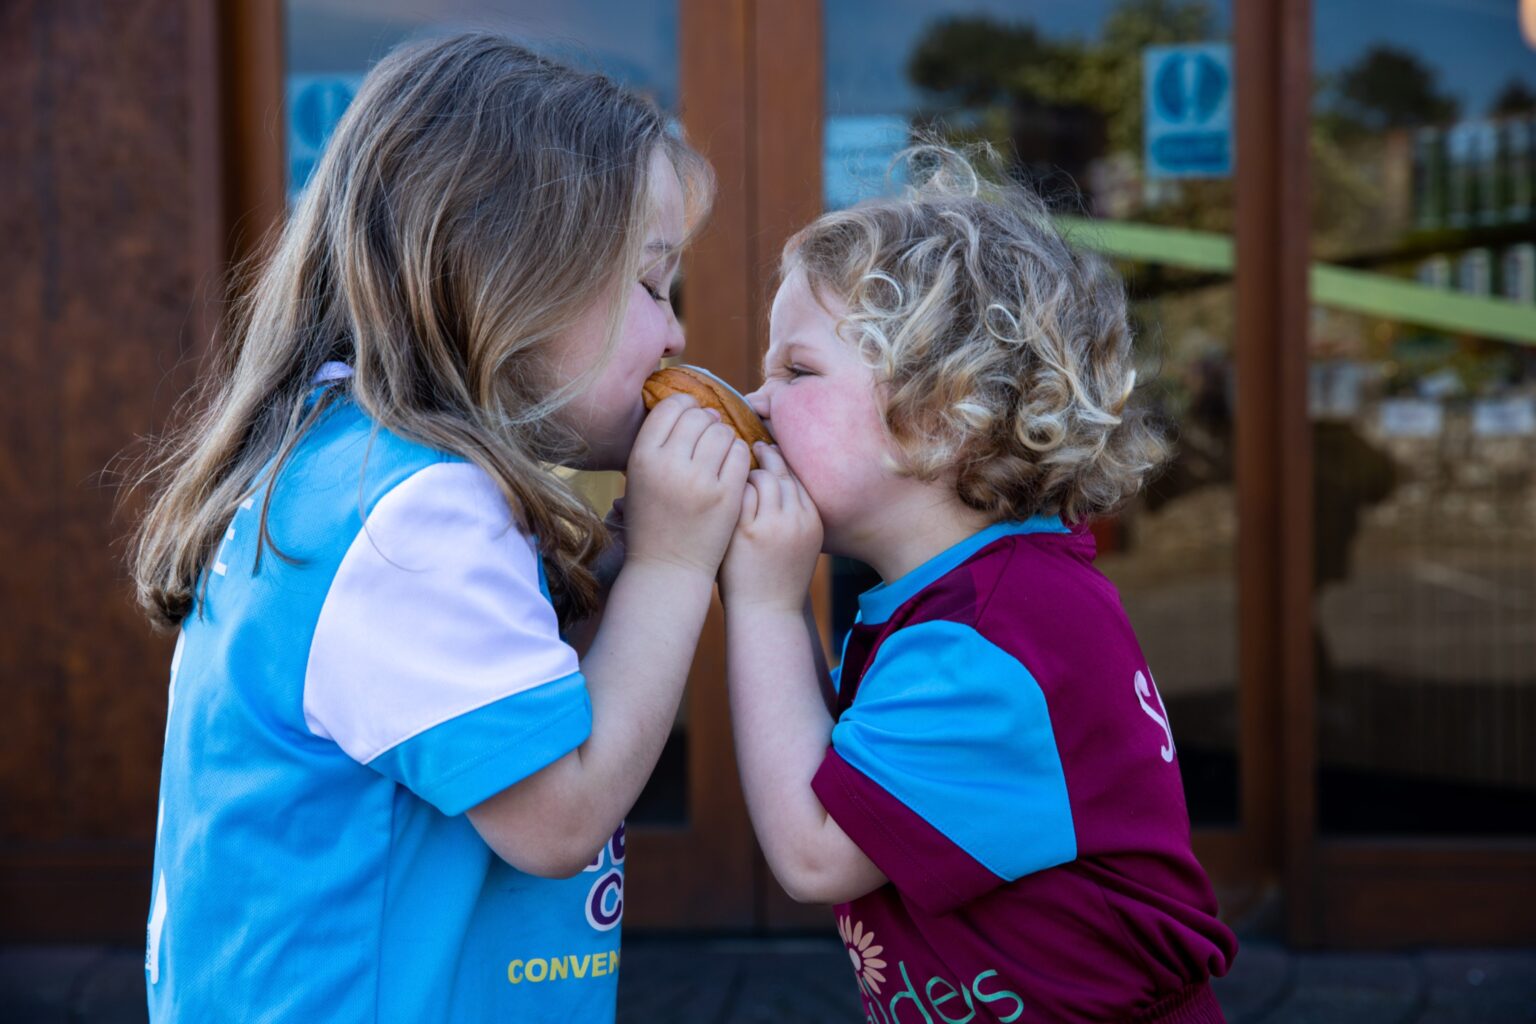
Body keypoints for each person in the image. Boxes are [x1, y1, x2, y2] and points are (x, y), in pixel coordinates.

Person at [128, 33, 747, 1023]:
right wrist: (674, 566)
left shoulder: (341, 468)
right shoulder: (415, 515)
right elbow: (561, 815)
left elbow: (496, 711)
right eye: (647, 281)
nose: (676, 330)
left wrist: (622, 568)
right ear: (502, 273)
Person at [718, 145, 1238, 1023]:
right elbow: (837, 775)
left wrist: (766, 601)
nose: (755, 401)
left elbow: (816, 853)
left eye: (796, 371)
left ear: (937, 419)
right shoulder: (994, 596)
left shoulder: (989, 640)